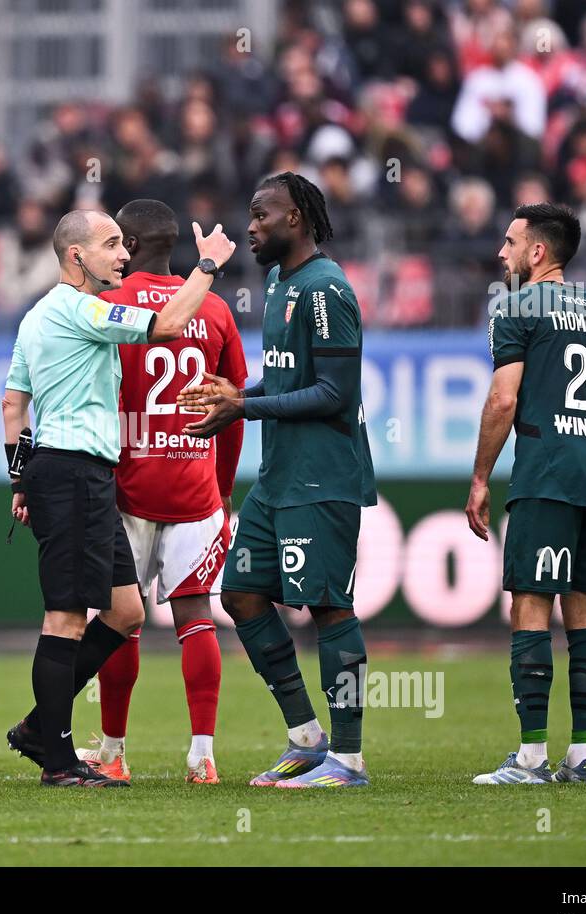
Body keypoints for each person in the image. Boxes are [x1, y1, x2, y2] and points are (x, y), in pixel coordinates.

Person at [1, 208, 235, 787]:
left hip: (74, 474)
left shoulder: (36, 317)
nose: (122, 256)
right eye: (110, 245)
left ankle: (40, 725)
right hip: (75, 471)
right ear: (76, 256)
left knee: (126, 611)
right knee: (63, 619)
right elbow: (167, 326)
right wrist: (206, 267)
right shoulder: (83, 309)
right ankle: (57, 758)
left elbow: (13, 402)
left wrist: (19, 477)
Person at [180, 172, 375, 789]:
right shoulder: (277, 282)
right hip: (279, 476)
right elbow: (288, 378)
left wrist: (245, 407)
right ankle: (306, 738)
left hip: (323, 477)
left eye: (262, 215)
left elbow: (334, 393)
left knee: (326, 605)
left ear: (296, 218)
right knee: (239, 593)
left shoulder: (327, 289)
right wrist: (238, 398)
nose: (252, 226)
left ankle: (348, 758)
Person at [464, 203, 586, 785]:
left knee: (531, 607)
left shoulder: (515, 308)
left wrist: (482, 478)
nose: (502, 254)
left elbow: (503, 400)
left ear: (537, 251)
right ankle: (582, 756)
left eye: (510, 242)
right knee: (585, 611)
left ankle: (533, 758)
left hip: (548, 476)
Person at [73, 199, 246, 784]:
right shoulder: (217, 309)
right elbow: (235, 408)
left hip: (125, 484)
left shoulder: (107, 305)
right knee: (196, 615)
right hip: (196, 483)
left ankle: (115, 752)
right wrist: (222, 490)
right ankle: (203, 757)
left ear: (128, 242)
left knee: (121, 618)